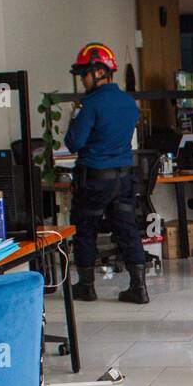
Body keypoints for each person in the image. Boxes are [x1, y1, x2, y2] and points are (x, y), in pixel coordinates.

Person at [64, 42, 148, 305]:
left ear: (99, 71)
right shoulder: (129, 103)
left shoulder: (89, 104)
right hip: (124, 179)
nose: (82, 80)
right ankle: (139, 287)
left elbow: (74, 143)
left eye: (84, 74)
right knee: (128, 231)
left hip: (95, 180)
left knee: (86, 231)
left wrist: (73, 119)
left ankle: (86, 287)